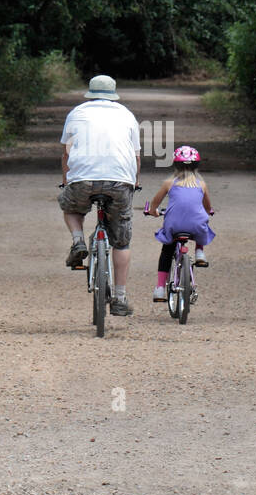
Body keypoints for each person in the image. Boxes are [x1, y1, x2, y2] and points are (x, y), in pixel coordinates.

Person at [58, 74, 142, 316]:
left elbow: (66, 154)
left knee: (71, 207)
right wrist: (134, 182)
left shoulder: (76, 113)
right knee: (122, 242)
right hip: (120, 180)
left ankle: (78, 241)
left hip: (82, 179)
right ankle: (120, 298)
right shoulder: (127, 115)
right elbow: (136, 156)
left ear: (90, 93)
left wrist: (67, 182)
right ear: (113, 94)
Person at [142, 145, 215, 302]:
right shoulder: (201, 184)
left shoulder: (169, 183)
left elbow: (154, 204)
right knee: (202, 222)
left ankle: (160, 289)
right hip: (196, 226)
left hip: (174, 225)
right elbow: (208, 208)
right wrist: (208, 212)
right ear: (196, 166)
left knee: (167, 250)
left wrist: (153, 211)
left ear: (175, 164)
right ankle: (200, 252)